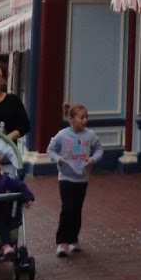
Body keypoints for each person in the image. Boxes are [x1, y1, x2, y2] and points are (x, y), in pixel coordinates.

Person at [47, 103, 103, 257]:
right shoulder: (62, 135)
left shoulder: (90, 135)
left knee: (77, 208)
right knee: (67, 208)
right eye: (81, 117)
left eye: (86, 117)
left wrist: (92, 159)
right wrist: (59, 159)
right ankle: (62, 242)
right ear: (70, 118)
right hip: (66, 177)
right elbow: (51, 149)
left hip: (82, 178)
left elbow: (99, 149)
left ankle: (73, 239)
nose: (85, 120)